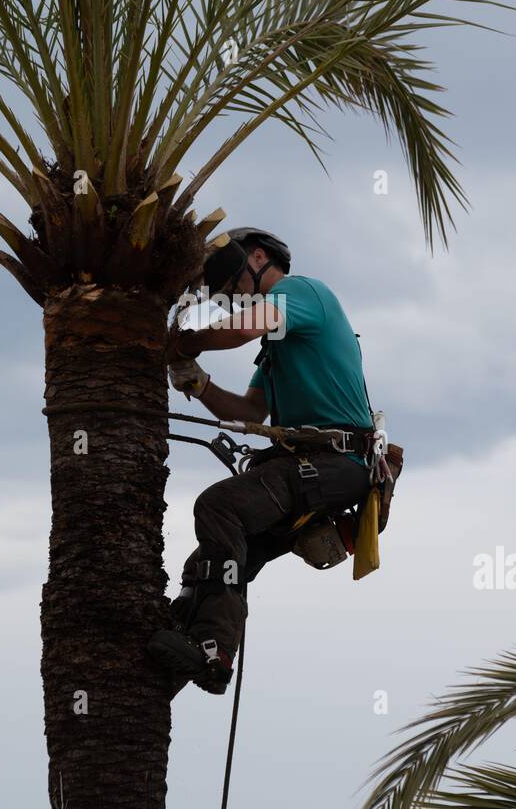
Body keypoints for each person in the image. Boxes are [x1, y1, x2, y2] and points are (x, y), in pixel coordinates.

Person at [147, 228, 375, 695]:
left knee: (220, 507)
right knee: (216, 558)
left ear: (258, 257)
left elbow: (248, 325)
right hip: (311, 468)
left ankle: (210, 644)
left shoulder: (302, 291)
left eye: (231, 283)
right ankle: (198, 658)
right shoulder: (276, 351)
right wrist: (197, 382)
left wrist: (186, 343)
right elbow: (250, 413)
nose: (230, 296)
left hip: (338, 463)